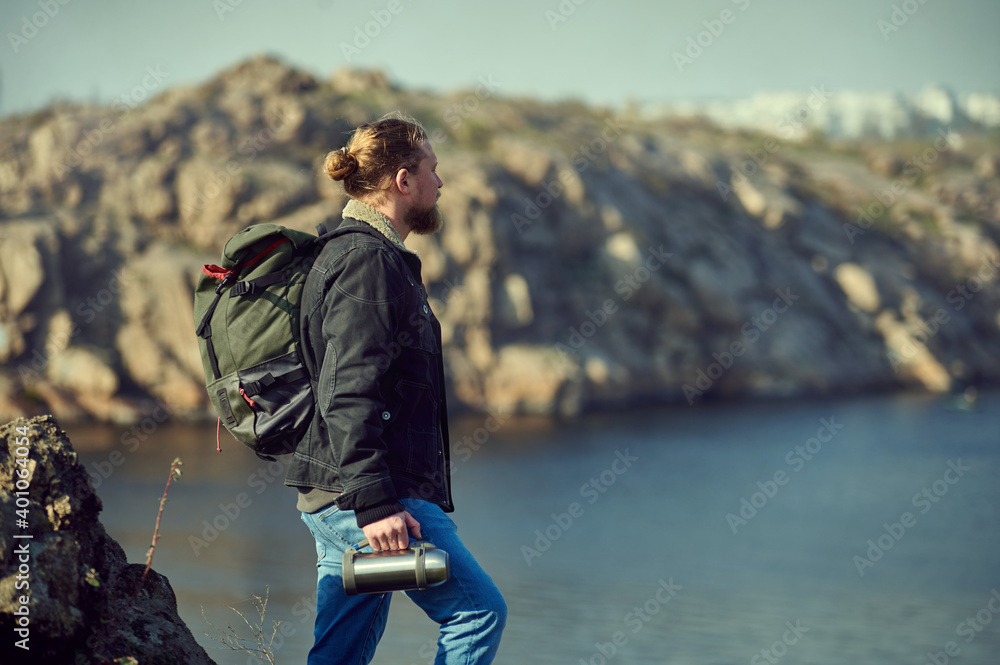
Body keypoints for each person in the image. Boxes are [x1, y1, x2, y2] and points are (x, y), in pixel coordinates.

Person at [286, 114, 506, 664]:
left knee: (342, 651)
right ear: (403, 181)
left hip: (336, 491)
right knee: (477, 613)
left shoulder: (352, 252)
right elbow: (349, 389)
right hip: (372, 496)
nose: (441, 183)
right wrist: (376, 503)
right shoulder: (367, 261)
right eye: (433, 170)